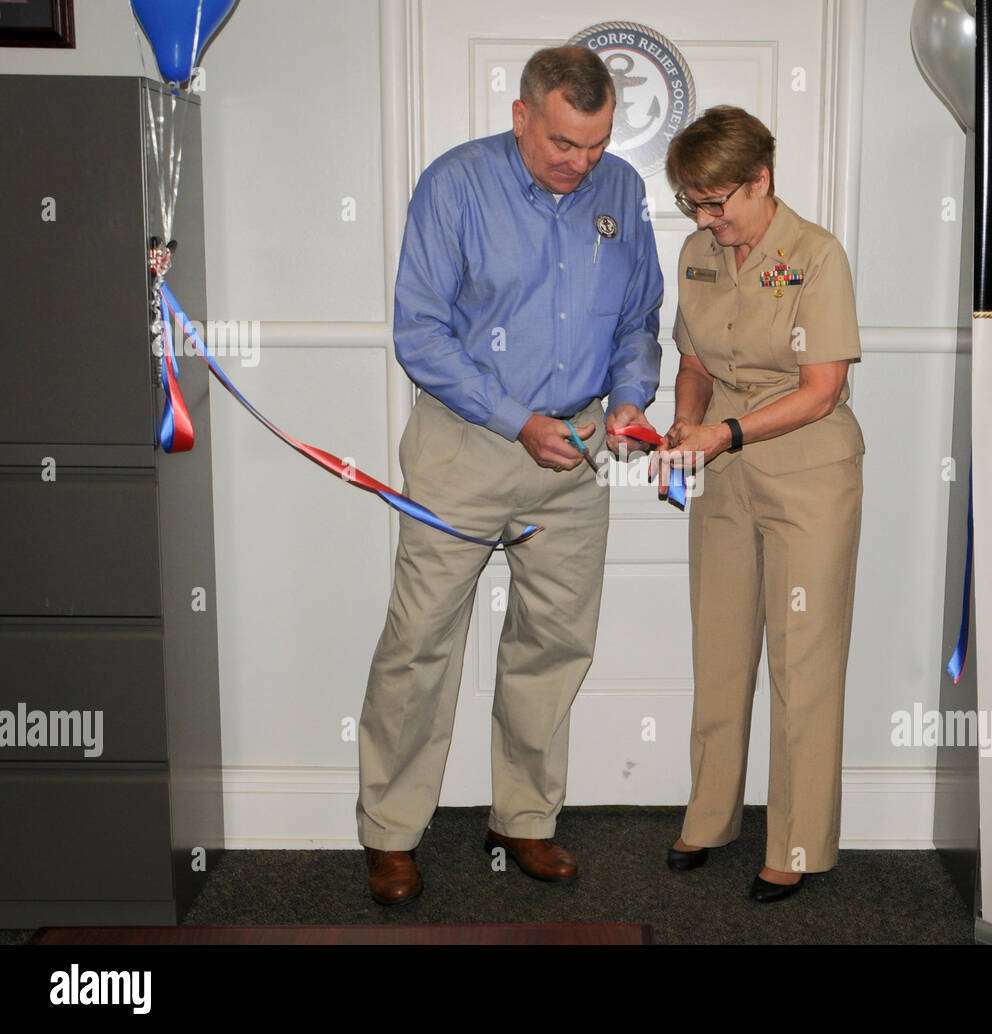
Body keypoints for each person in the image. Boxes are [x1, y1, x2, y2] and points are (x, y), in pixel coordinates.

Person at [356, 46, 663, 905]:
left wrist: (633, 399)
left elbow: (640, 315)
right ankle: (389, 830)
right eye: (565, 143)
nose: (582, 164)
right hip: (468, 445)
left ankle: (523, 820)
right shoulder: (454, 185)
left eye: (597, 146)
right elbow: (419, 334)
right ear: (522, 114)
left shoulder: (621, 193)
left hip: (577, 450)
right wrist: (514, 421)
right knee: (420, 643)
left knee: (553, 643)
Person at [658, 106, 864, 903]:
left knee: (802, 663)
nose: (709, 221)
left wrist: (726, 433)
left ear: (761, 181)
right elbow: (695, 360)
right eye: (694, 205)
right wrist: (685, 420)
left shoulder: (816, 256)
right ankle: (711, 817)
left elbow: (822, 390)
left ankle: (798, 842)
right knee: (719, 650)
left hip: (808, 471)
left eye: (719, 204)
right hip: (723, 468)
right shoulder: (697, 255)